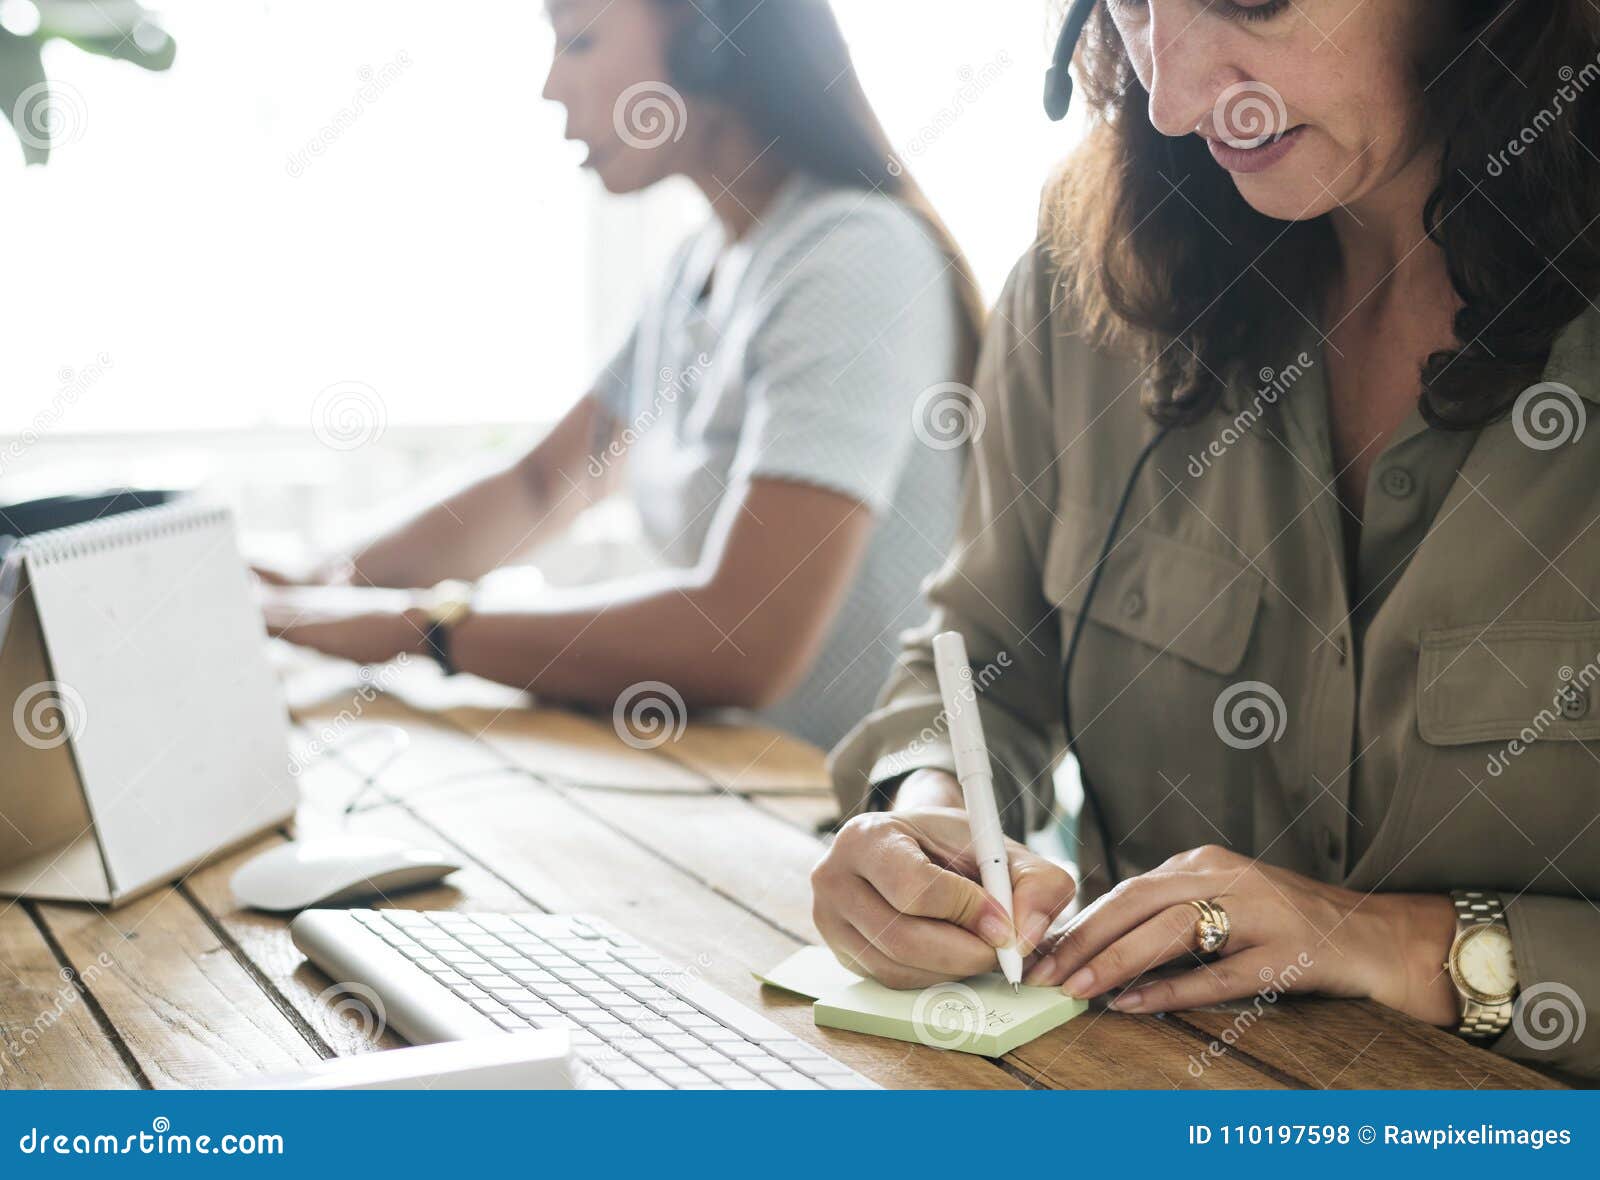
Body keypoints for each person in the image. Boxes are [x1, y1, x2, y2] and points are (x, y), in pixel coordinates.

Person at [815, 0, 1600, 1080]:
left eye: (1250, 3)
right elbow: (983, 654)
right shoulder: (1084, 281)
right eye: (1132, 8)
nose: (1175, 98)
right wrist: (926, 805)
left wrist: (1401, 942)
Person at [260, 0, 984, 751]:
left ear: (711, 45)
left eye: (578, 40)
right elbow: (542, 484)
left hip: (863, 827)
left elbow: (742, 638)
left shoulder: (852, 256)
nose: (549, 84)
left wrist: (418, 628)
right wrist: (316, 586)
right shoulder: (700, 265)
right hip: (731, 783)